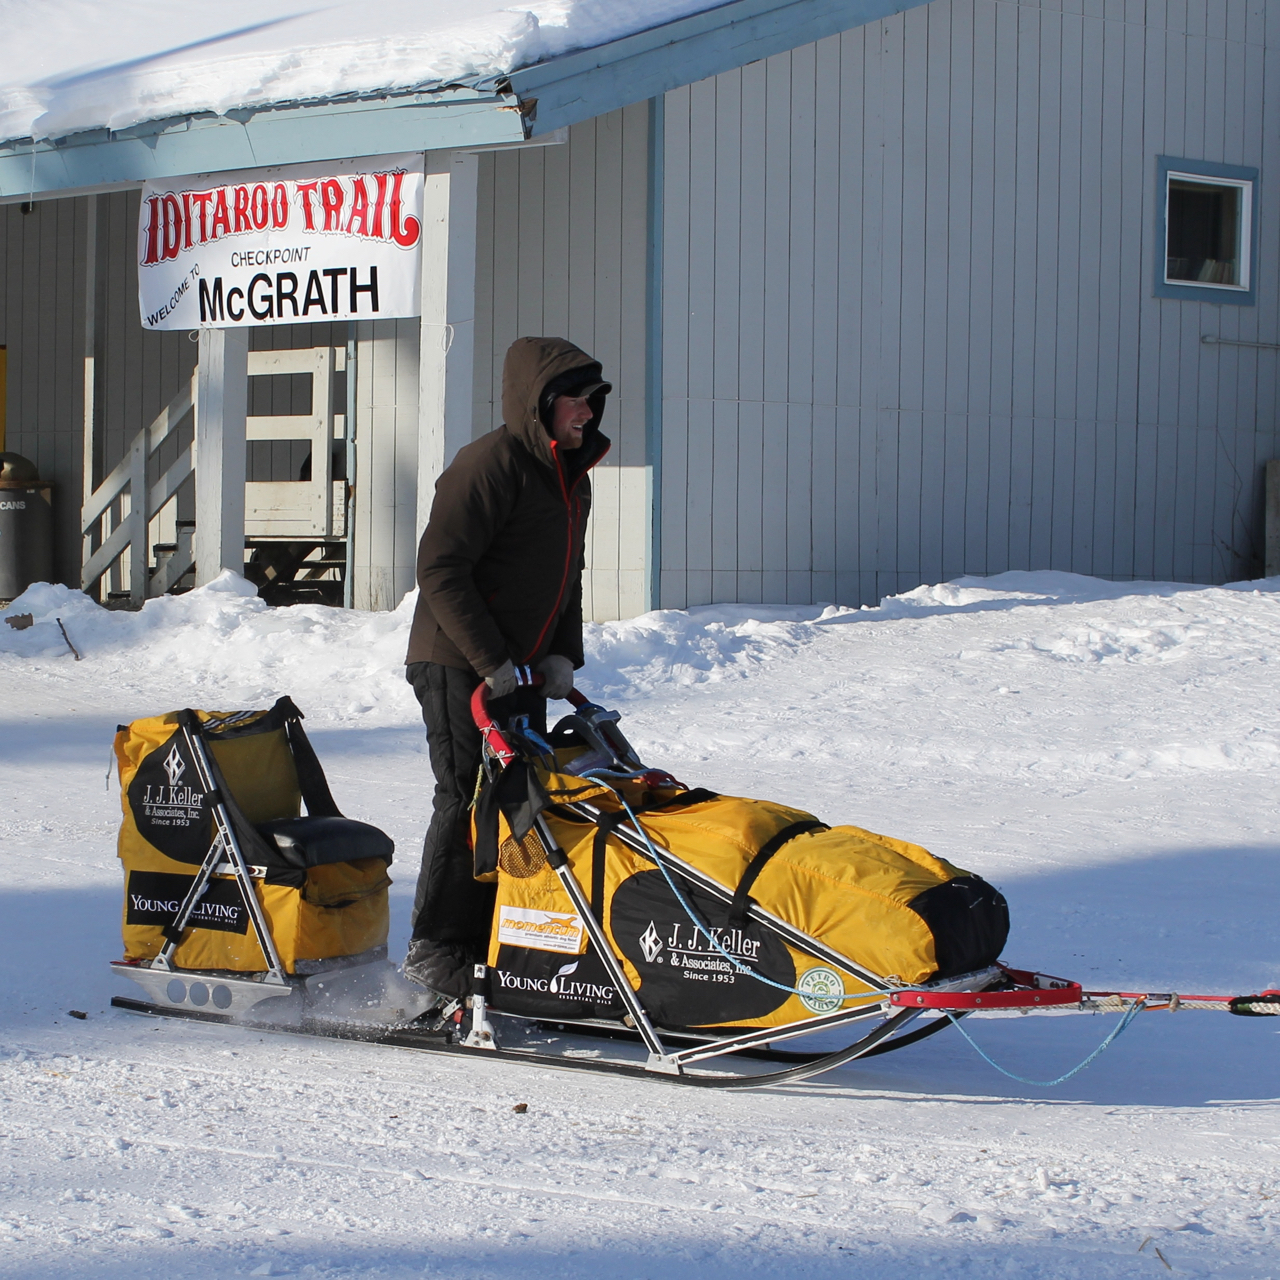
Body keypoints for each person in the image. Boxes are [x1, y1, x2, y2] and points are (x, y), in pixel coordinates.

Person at [401, 336, 611, 999]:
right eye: (575, 400)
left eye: (593, 401)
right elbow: (438, 568)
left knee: (516, 801)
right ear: (539, 403)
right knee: (464, 798)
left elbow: (566, 579)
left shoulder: (571, 479)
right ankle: (435, 952)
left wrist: (561, 655)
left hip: (516, 671)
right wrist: (491, 660)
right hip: (455, 662)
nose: (587, 413)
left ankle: (494, 938)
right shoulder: (486, 466)